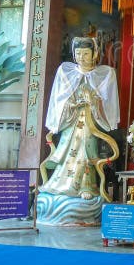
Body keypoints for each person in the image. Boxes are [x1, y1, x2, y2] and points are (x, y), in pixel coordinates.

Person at [41, 36, 120, 202]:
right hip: (72, 121)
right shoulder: (66, 71)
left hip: (90, 122)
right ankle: (59, 183)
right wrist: (73, 103)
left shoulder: (105, 74)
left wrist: (93, 102)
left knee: (86, 150)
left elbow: (107, 102)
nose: (81, 57)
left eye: (85, 53)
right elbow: (59, 99)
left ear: (94, 54)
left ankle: (86, 185)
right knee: (67, 150)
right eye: (78, 53)